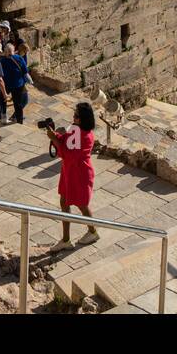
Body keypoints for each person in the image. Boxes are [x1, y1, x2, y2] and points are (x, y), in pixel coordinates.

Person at [49, 102, 99, 251]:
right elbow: (65, 142)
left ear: (83, 119)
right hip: (69, 171)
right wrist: (56, 135)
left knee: (81, 204)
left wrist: (55, 139)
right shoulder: (75, 129)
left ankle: (93, 232)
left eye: (77, 116)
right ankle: (65, 239)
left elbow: (69, 154)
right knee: (64, 201)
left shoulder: (86, 137)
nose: (74, 117)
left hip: (80, 173)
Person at [1, 42, 31, 124]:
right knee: (18, 104)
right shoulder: (19, 58)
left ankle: (3, 117)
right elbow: (25, 71)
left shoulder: (2, 60)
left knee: (3, 100)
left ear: (5, 51)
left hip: (6, 84)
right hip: (18, 85)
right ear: (13, 51)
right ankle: (19, 121)